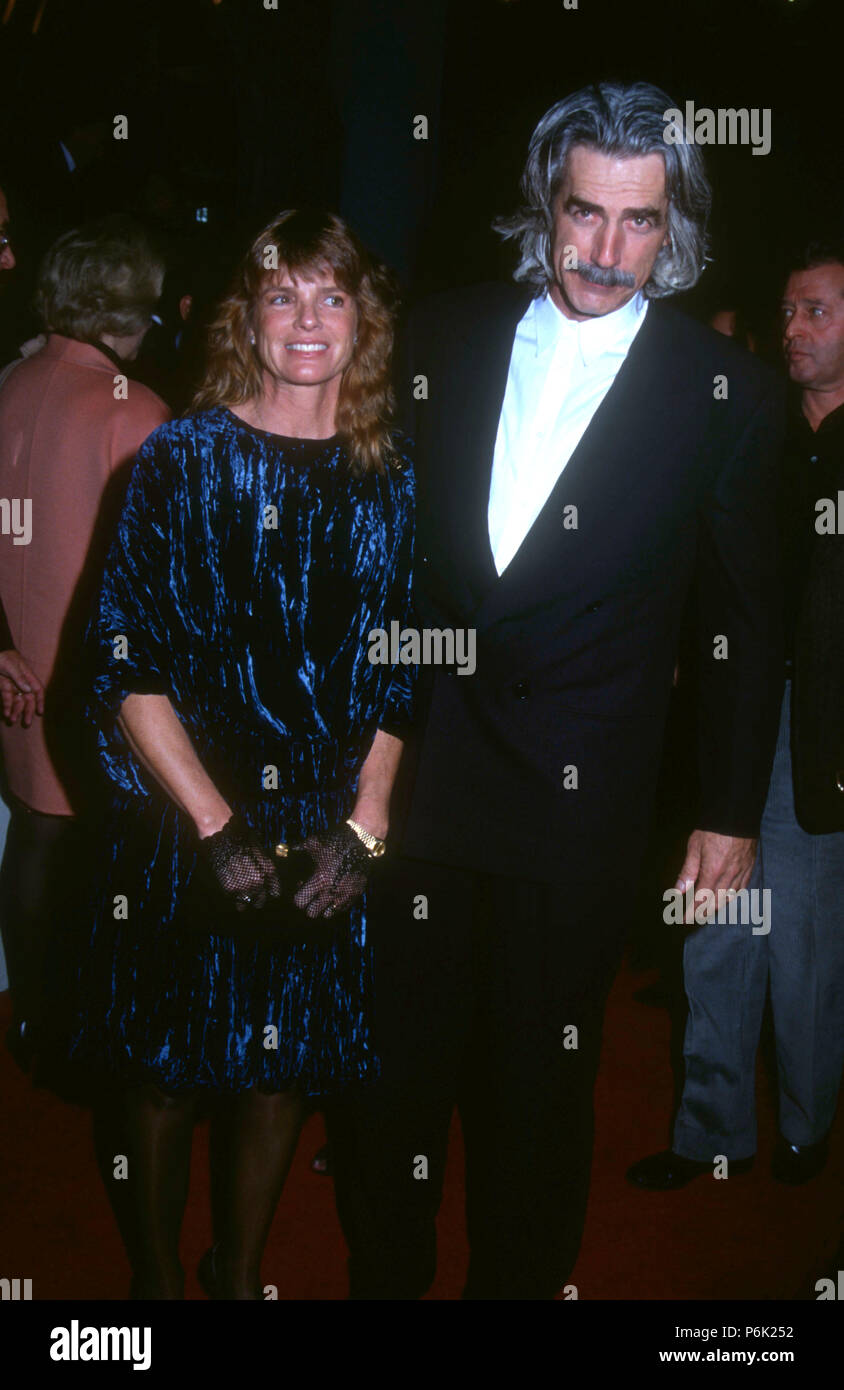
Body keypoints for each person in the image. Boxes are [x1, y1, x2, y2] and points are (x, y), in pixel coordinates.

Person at [327, 80, 786, 1300]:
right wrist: (368, 762)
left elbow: (746, 622)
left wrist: (730, 813)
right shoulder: (445, 334)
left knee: (537, 1092)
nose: (604, 250)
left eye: (639, 223)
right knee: (391, 1083)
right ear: (546, 203)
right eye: (584, 213)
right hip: (423, 781)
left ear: (674, 223)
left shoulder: (725, 393)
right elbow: (392, 569)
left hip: (578, 803)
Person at [64, 209, 415, 1300]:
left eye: (331, 295)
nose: (306, 319)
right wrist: (212, 828)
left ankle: (238, 1273)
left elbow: (405, 665)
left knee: (278, 1074)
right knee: (166, 1078)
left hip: (321, 827)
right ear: (247, 318)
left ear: (362, 320)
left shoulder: (388, 474)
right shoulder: (182, 461)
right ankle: (160, 1289)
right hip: (188, 819)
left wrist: (366, 825)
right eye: (281, 294)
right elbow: (122, 665)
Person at [629, 240, 844, 1192]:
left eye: (818, 312)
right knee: (714, 925)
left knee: (803, 940)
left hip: (823, 727)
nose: (794, 329)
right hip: (735, 711)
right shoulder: (759, 426)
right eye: (789, 311)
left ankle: (807, 1124)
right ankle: (711, 1133)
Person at [0, 216, 169, 1070]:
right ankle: (81, 1031)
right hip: (96, 676)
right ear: (125, 310)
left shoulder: (11, 381)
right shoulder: (132, 410)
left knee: (34, 833)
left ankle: (33, 1020)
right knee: (98, 861)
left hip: (19, 659)